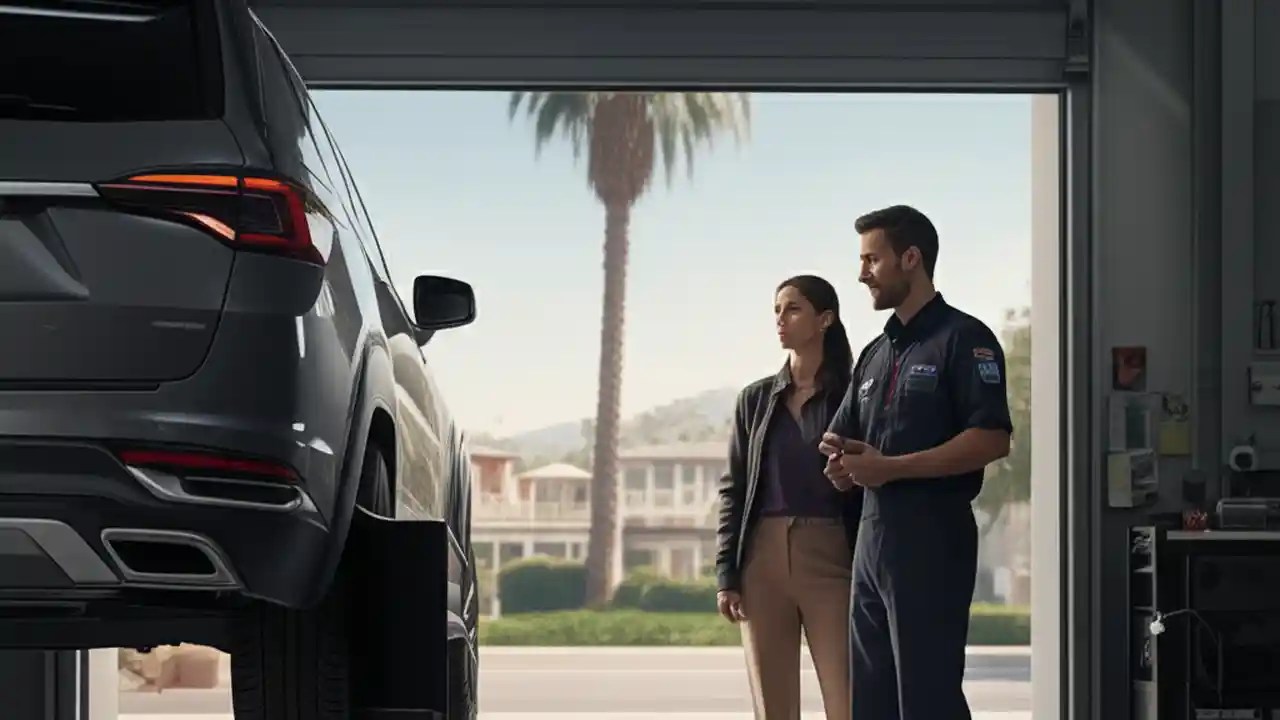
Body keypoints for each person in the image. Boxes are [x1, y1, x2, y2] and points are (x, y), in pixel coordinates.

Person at [818, 205, 1013, 720]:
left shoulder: (964, 339)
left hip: (933, 539)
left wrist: (891, 468)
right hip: (872, 542)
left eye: (871, 260)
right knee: (871, 700)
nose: (861, 274)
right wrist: (843, 466)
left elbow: (992, 438)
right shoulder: (874, 353)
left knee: (928, 699)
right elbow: (844, 441)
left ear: (911, 258)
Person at [715, 275, 864, 720]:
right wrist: (727, 572)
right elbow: (735, 489)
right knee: (773, 707)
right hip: (762, 559)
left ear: (825, 319)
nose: (780, 320)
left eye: (793, 309)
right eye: (777, 310)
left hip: (833, 554)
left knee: (849, 701)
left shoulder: (854, 395)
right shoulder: (755, 399)